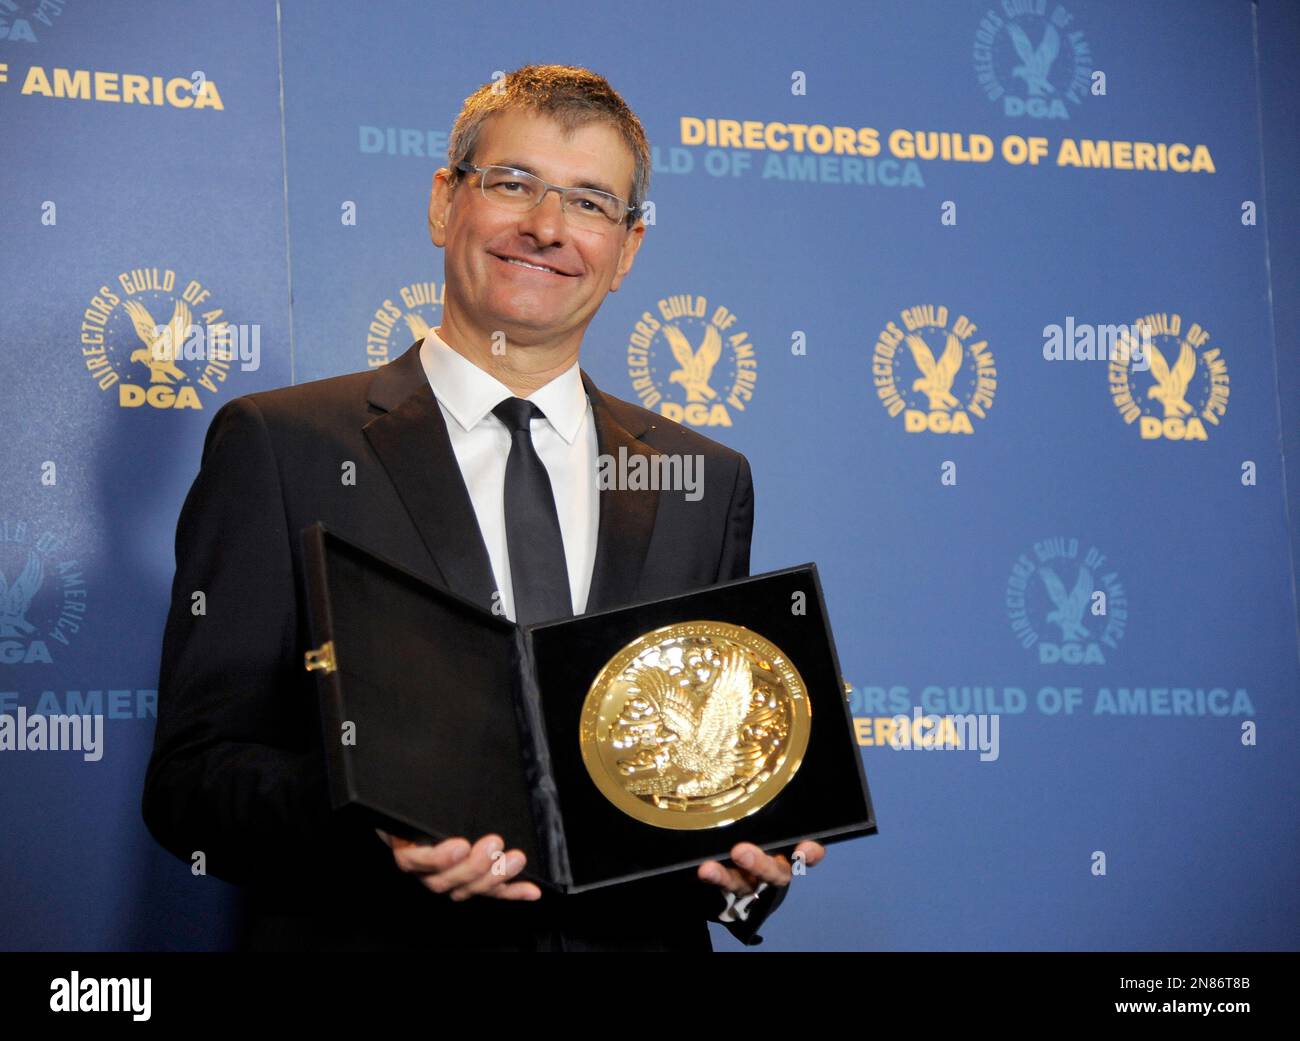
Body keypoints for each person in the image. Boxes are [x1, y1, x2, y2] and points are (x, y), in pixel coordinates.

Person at [142, 63, 824, 952]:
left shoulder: (703, 478)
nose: (546, 227)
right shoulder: (283, 446)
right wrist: (374, 830)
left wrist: (743, 873)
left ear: (628, 249)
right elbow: (192, 782)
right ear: (443, 203)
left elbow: (691, 798)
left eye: (589, 202)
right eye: (513, 184)